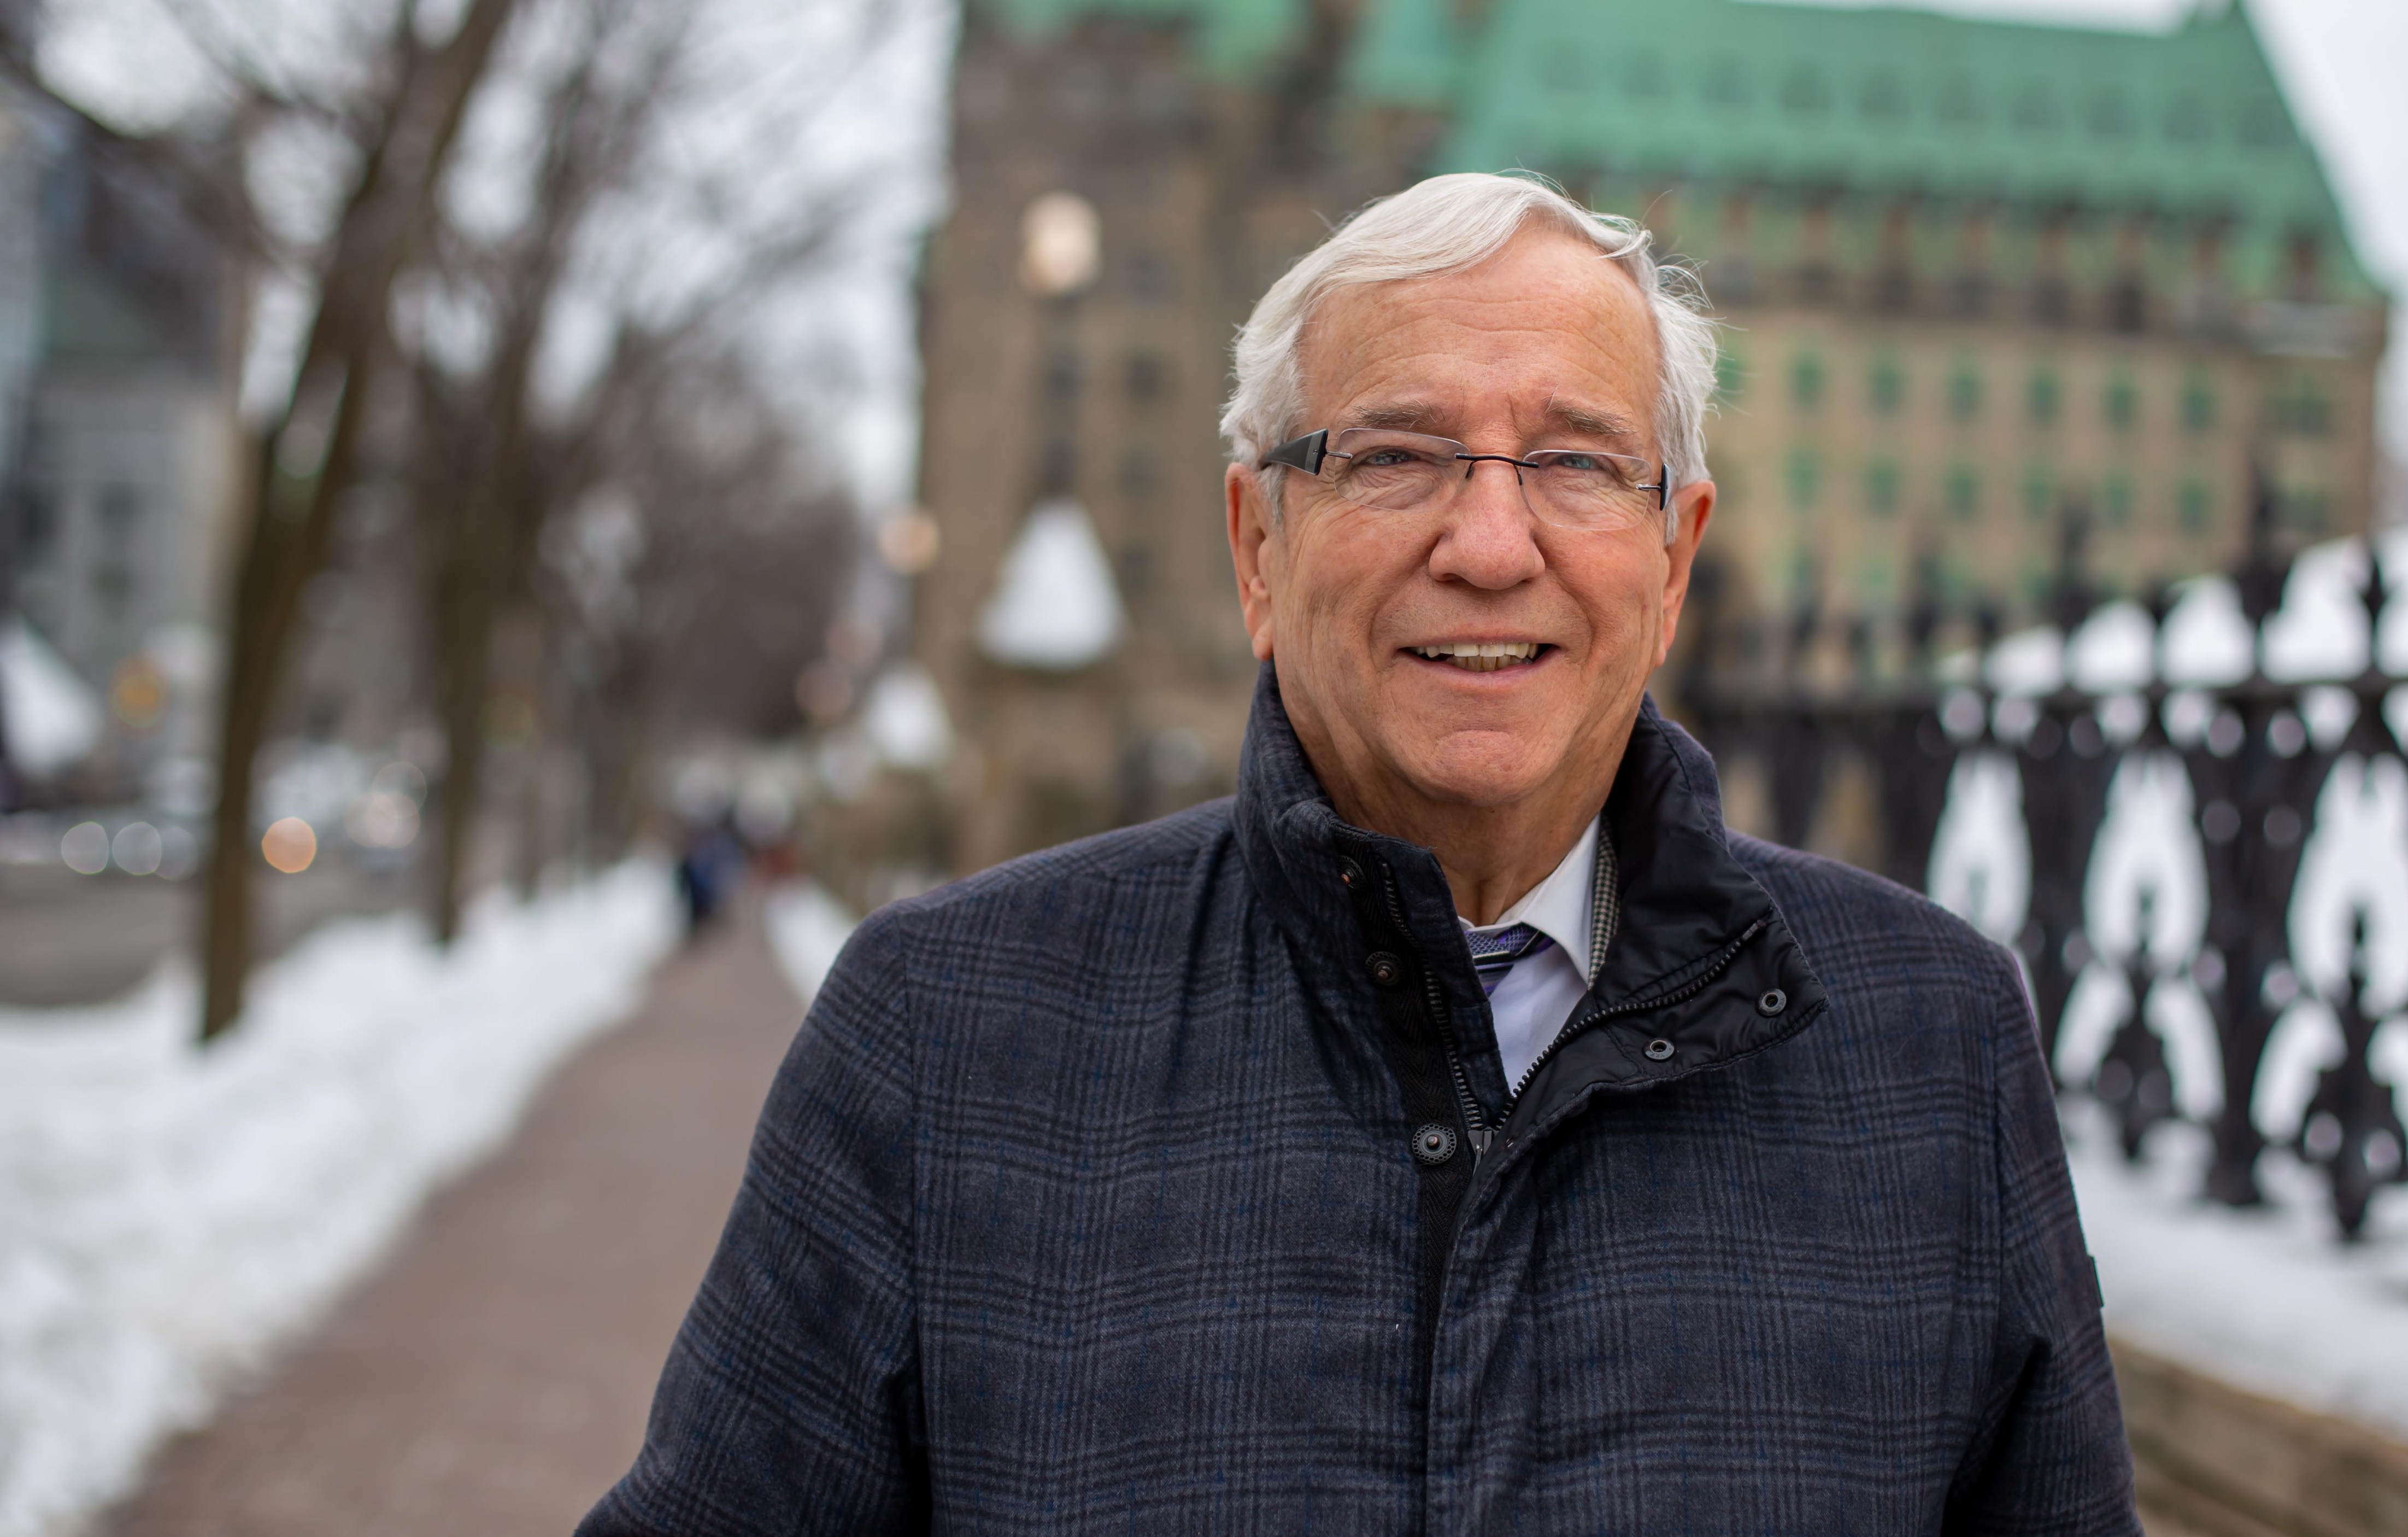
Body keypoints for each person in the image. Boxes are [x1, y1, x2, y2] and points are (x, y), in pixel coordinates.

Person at [584, 173, 2137, 1533]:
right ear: (1259, 547)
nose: (1488, 542)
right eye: (1396, 455)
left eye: (1578, 463)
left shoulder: (1933, 1048)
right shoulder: (946, 1031)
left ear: (1673, 563)